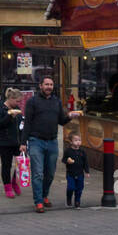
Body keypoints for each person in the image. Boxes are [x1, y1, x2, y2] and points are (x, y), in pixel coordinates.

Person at [20, 75, 82, 214]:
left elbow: (61, 121)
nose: (49, 87)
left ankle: (44, 195)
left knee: (50, 174)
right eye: (46, 84)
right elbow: (27, 123)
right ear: (40, 86)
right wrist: (23, 142)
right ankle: (39, 202)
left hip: (52, 142)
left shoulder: (56, 101)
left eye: (51, 84)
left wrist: (70, 117)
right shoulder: (32, 101)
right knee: (38, 174)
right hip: (36, 141)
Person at [0, 87, 24, 198]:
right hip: (4, 142)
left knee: (21, 164)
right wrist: (9, 116)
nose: (18, 103)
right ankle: (7, 187)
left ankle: (15, 181)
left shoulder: (17, 109)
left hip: (17, 142)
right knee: (6, 165)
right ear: (10, 98)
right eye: (17, 101)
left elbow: (21, 126)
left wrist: (23, 141)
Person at [62, 132, 89, 209]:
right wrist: (67, 160)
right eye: (76, 140)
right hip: (70, 173)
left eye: (79, 140)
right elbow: (63, 159)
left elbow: (85, 162)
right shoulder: (68, 151)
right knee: (71, 187)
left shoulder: (82, 152)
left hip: (80, 173)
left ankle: (77, 201)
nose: (78, 142)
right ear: (71, 142)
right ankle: (69, 199)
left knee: (79, 188)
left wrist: (87, 171)